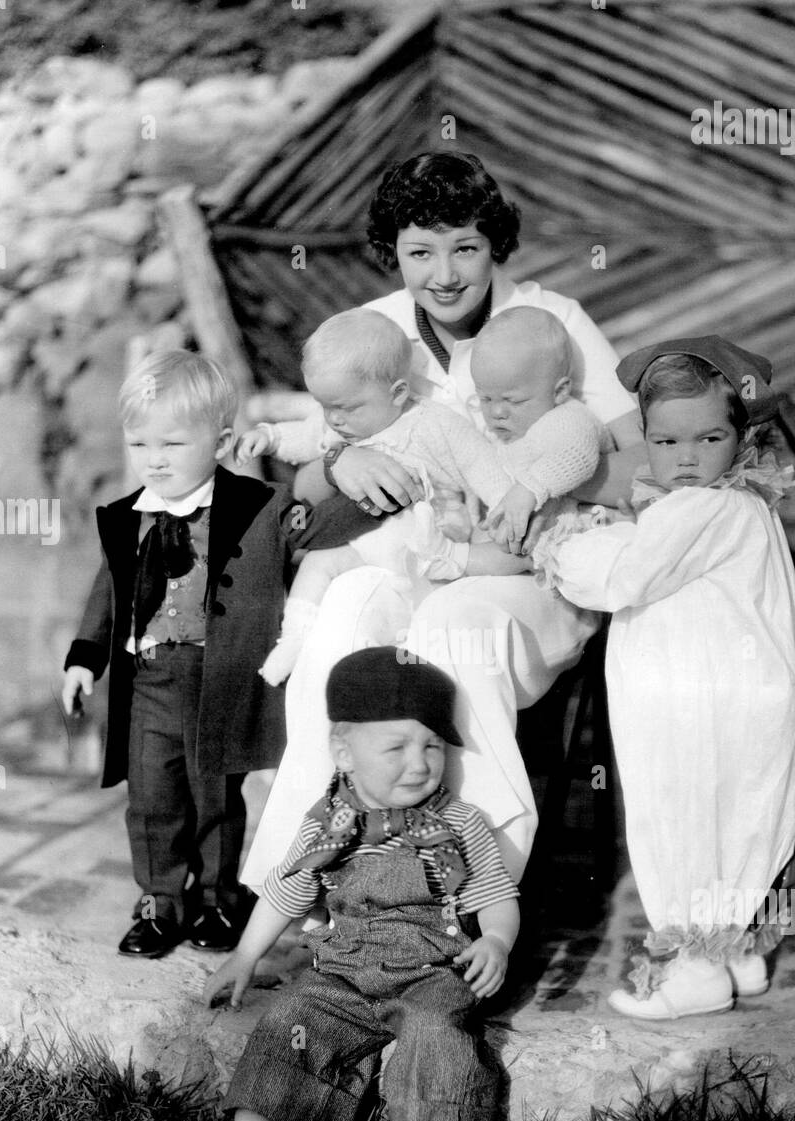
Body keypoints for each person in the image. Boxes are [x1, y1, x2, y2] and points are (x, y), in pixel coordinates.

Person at [240, 151, 641, 886]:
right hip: (417, 558)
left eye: (466, 248)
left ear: (495, 246)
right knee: (345, 609)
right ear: (392, 251)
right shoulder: (373, 331)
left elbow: (638, 463)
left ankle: (477, 899)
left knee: (453, 627)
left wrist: (538, 483)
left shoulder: (552, 321)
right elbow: (305, 473)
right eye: (419, 252)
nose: (444, 274)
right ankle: (296, 878)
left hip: (523, 569)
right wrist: (338, 466)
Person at [166, 648, 520, 1121]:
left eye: (432, 745)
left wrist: (497, 943)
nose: (419, 763)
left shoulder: (459, 825)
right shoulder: (326, 825)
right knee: (289, 1021)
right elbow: (284, 892)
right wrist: (246, 956)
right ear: (343, 752)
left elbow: (496, 895)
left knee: (441, 1036)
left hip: (432, 973)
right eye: (396, 747)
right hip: (344, 974)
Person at [61, 350, 383, 958]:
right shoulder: (128, 519)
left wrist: (350, 466)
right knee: (152, 799)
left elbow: (324, 522)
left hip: (220, 681)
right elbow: (106, 591)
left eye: (173, 444)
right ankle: (159, 902)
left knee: (216, 799)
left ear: (221, 441)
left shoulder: (257, 508)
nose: (154, 459)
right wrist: (83, 660)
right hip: (150, 681)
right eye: (140, 444)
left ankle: (216, 901)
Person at [538, 336, 795, 1020]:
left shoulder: (702, 508)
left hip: (689, 703)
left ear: (742, 435)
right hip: (739, 693)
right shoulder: (745, 502)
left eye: (708, 437)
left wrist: (561, 543)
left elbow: (624, 575)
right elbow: (656, 548)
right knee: (735, 819)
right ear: (646, 438)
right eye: (665, 442)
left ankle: (693, 973)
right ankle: (736, 950)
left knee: (681, 820)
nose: (685, 458)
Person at [241, 305, 605, 684]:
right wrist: (270, 437)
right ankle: (294, 637)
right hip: (370, 544)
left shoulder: (435, 425)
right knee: (319, 564)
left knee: (400, 615)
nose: (334, 419)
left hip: (429, 547)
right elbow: (308, 435)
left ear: (398, 393)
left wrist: (509, 508)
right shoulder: (344, 423)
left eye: (343, 408)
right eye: (326, 406)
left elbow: (482, 467)